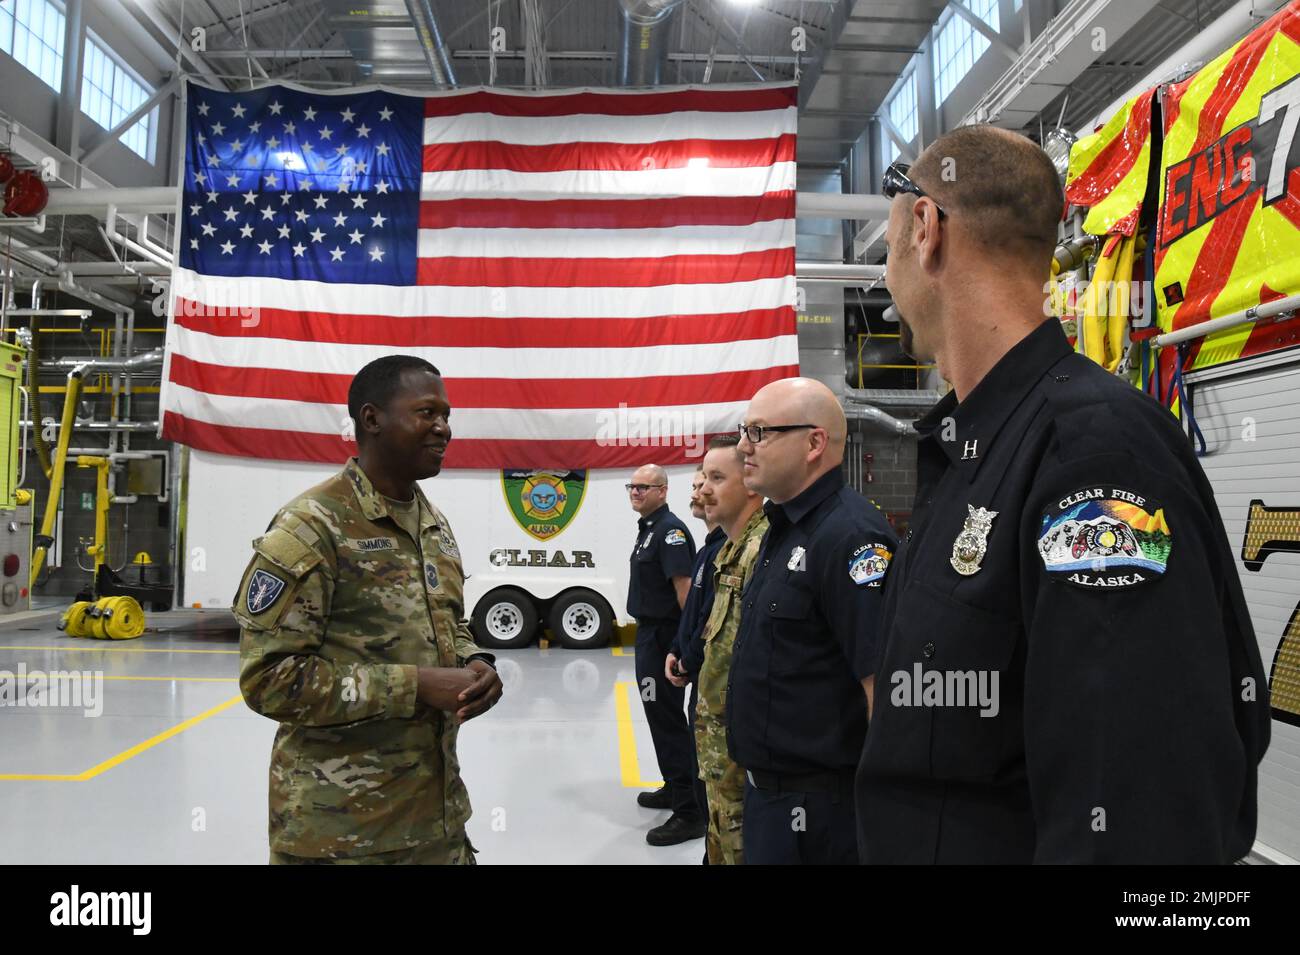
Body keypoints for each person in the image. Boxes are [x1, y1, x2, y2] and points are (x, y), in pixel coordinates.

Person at [856, 124, 1271, 864]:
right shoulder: (973, 449)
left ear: (925, 228)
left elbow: (1142, 822)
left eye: (886, 242)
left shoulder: (1091, 454)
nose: (886, 270)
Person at [234, 355, 503, 864]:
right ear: (372, 419)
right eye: (426, 413)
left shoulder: (433, 523)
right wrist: (416, 685)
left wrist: (476, 664)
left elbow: (449, 624)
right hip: (340, 834)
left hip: (436, 823)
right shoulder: (312, 526)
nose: (444, 428)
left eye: (446, 415)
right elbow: (268, 679)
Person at [727, 378, 898, 864]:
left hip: (821, 812)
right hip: (771, 798)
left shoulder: (851, 536)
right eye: (745, 431)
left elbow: (879, 684)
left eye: (759, 432)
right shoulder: (785, 528)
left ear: (814, 443)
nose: (744, 446)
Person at [691, 435, 767, 864]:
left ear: (751, 484)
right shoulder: (731, 550)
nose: (702, 488)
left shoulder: (761, 549)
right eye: (703, 477)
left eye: (717, 477)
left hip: (742, 760)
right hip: (720, 756)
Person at [626, 464, 704, 846]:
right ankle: (675, 786)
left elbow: (685, 591)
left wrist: (684, 644)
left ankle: (690, 811)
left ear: (662, 490)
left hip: (663, 637)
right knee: (659, 716)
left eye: (644, 487)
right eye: (632, 487)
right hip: (649, 634)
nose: (636, 492)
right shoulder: (650, 530)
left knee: (669, 718)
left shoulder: (670, 532)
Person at [663, 465, 725, 850]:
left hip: (711, 684)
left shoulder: (727, 551)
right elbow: (693, 614)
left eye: (712, 481)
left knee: (717, 790)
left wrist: (687, 660)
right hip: (696, 680)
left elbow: (713, 622)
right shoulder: (706, 549)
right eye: (698, 483)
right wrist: (676, 648)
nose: (700, 490)